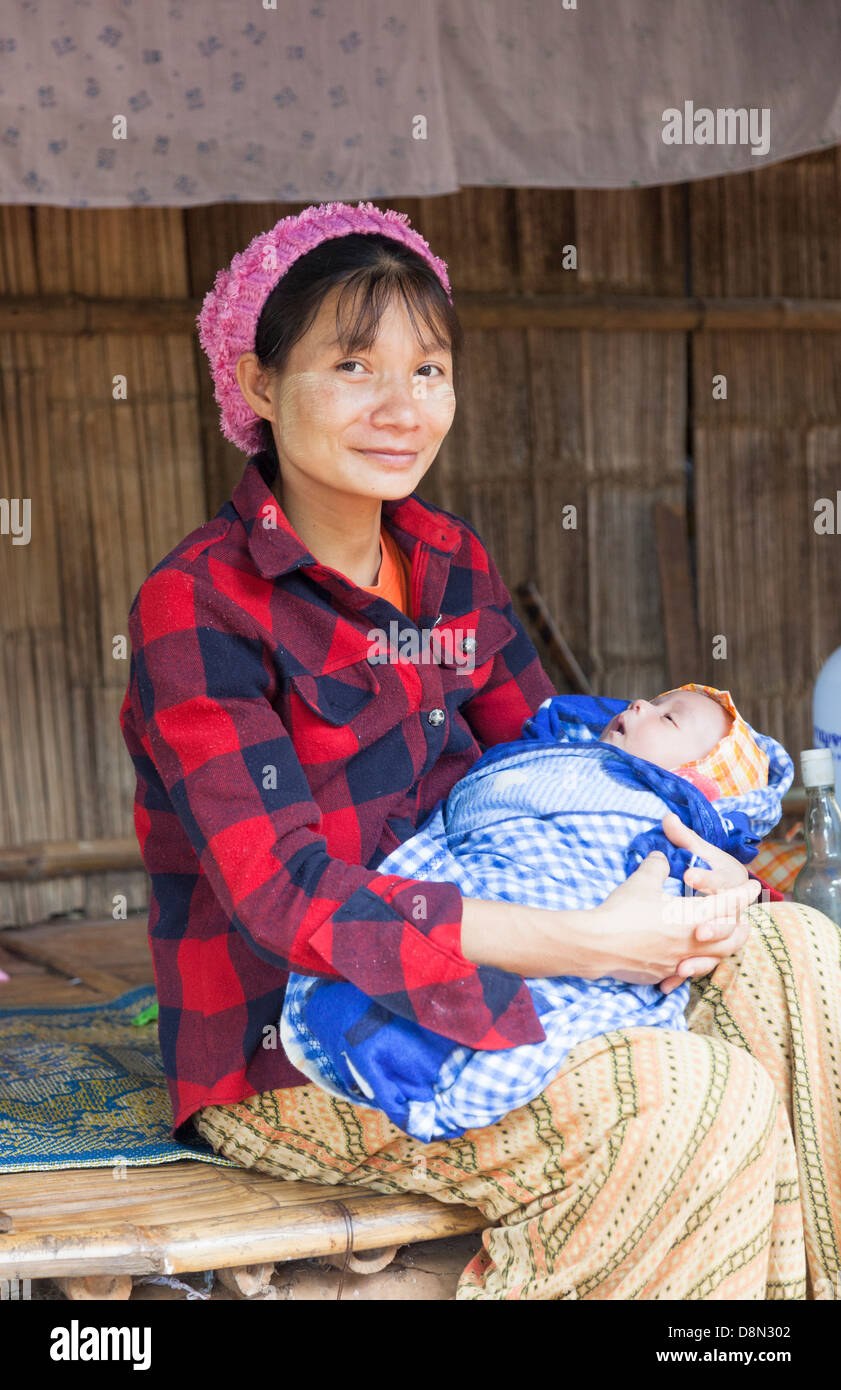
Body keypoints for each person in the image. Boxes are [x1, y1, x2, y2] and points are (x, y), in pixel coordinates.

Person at [120, 201, 841, 1300]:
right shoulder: (201, 605)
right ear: (259, 384)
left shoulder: (448, 562)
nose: (401, 407)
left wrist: (700, 876)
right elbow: (288, 903)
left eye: (429, 369)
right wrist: (590, 943)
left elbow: (565, 774)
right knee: (687, 1101)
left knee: (799, 959)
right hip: (305, 1045)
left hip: (521, 977)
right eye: (353, 365)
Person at [279, 685, 793, 1141]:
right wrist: (598, 940)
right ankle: (406, 1030)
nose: (639, 703)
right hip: (472, 894)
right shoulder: (562, 750)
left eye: (668, 717)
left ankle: (434, 1041)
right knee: (724, 1092)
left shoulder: (675, 816)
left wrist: (732, 886)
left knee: (794, 936)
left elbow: (700, 887)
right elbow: (280, 896)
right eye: (655, 701)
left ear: (698, 786)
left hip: (594, 897)